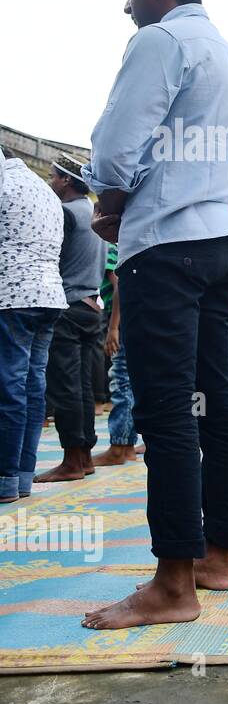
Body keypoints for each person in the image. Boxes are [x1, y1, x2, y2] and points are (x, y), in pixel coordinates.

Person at [82, 0, 228, 629]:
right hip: (219, 242)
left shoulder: (161, 41)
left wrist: (112, 201)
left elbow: (117, 145)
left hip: (168, 243)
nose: (127, 4)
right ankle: (220, 555)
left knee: (168, 410)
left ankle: (173, 583)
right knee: (217, 400)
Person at [36, 156, 106, 482]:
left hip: (69, 303)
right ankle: (85, 457)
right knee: (83, 387)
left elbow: (52, 257)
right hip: (92, 306)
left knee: (65, 386)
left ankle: (71, 461)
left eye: (53, 177)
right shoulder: (94, 211)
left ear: (65, 180)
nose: (50, 182)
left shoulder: (66, 212)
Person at [0, 153, 65, 503]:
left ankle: (5, 476)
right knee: (32, 384)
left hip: (13, 296)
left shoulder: (4, 185)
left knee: (9, 385)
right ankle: (21, 477)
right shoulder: (43, 190)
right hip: (49, 294)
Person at [92, 241, 138, 467]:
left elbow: (120, 284)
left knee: (122, 380)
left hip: (123, 320)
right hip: (140, 317)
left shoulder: (116, 247)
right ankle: (127, 446)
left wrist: (113, 328)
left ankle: (119, 446)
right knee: (133, 382)